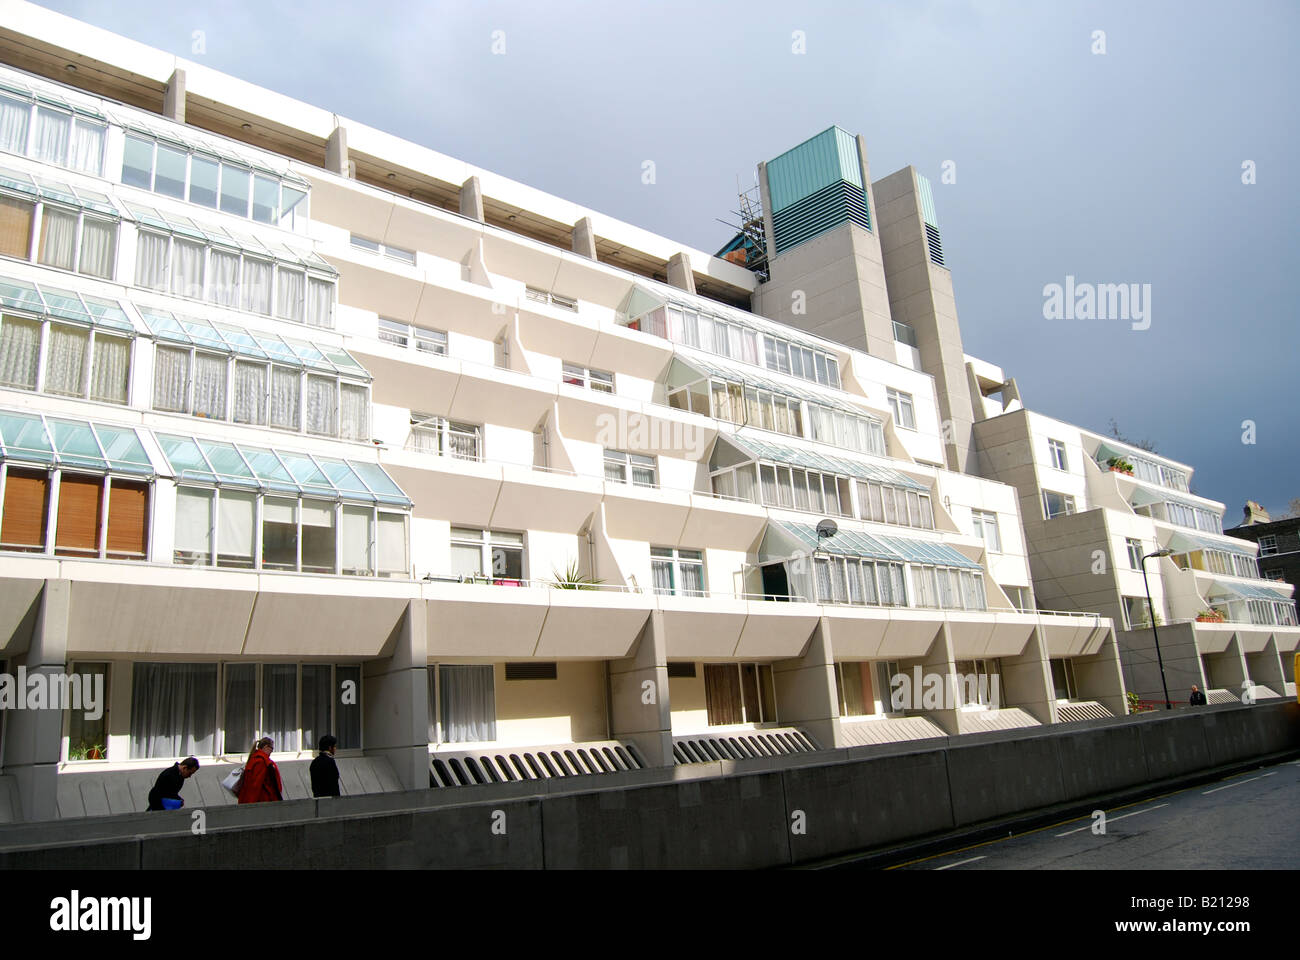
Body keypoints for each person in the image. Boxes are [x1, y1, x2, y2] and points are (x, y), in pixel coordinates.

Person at [236, 737, 284, 804]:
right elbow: (256, 785)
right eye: (272, 749)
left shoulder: (254, 759)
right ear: (266, 747)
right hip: (263, 801)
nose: (271, 752)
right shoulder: (261, 761)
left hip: (257, 800)